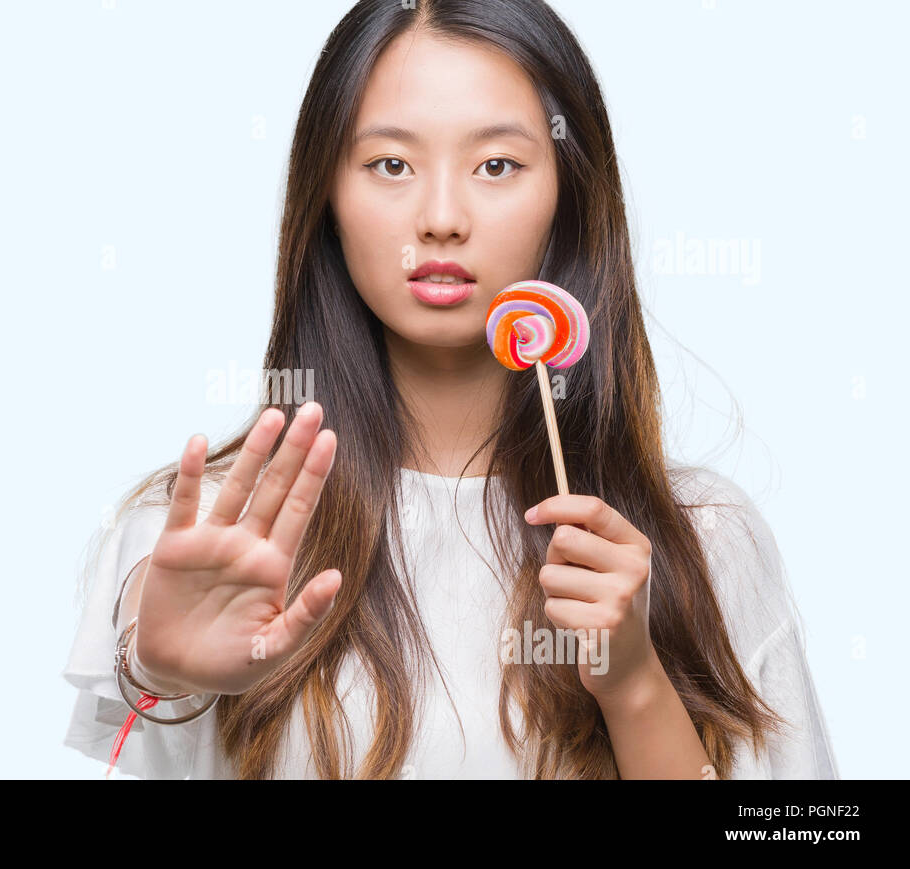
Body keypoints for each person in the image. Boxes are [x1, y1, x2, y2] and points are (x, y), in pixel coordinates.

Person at [60, 0, 838, 780]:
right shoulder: (204, 537)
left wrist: (634, 686)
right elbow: (149, 729)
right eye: (390, 164)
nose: (440, 218)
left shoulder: (705, 540)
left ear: (568, 190)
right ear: (325, 195)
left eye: (497, 164)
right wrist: (158, 676)